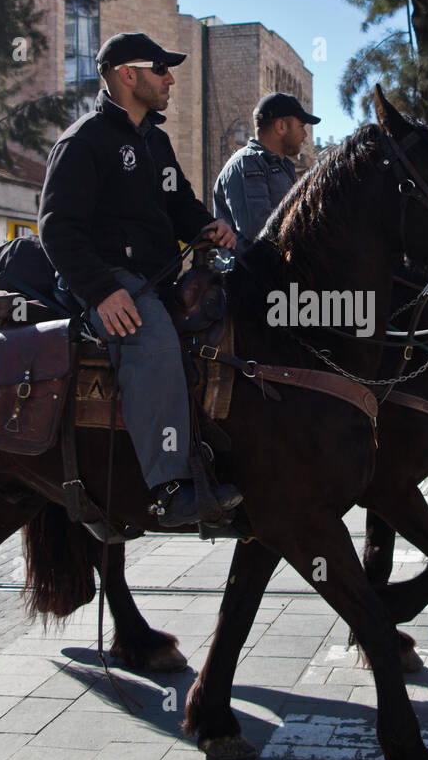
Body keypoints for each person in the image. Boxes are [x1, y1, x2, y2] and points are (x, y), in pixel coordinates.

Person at [39, 30, 241, 528]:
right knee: (151, 338)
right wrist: (102, 291)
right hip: (103, 280)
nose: (170, 78)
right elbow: (56, 228)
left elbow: (178, 205)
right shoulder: (83, 140)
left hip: (156, 276)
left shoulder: (156, 140)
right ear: (128, 75)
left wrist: (207, 227)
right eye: (161, 69)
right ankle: (169, 487)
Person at [213, 92, 319, 246]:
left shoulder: (283, 165)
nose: (304, 135)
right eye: (301, 126)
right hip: (252, 267)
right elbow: (258, 231)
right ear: (281, 126)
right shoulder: (247, 163)